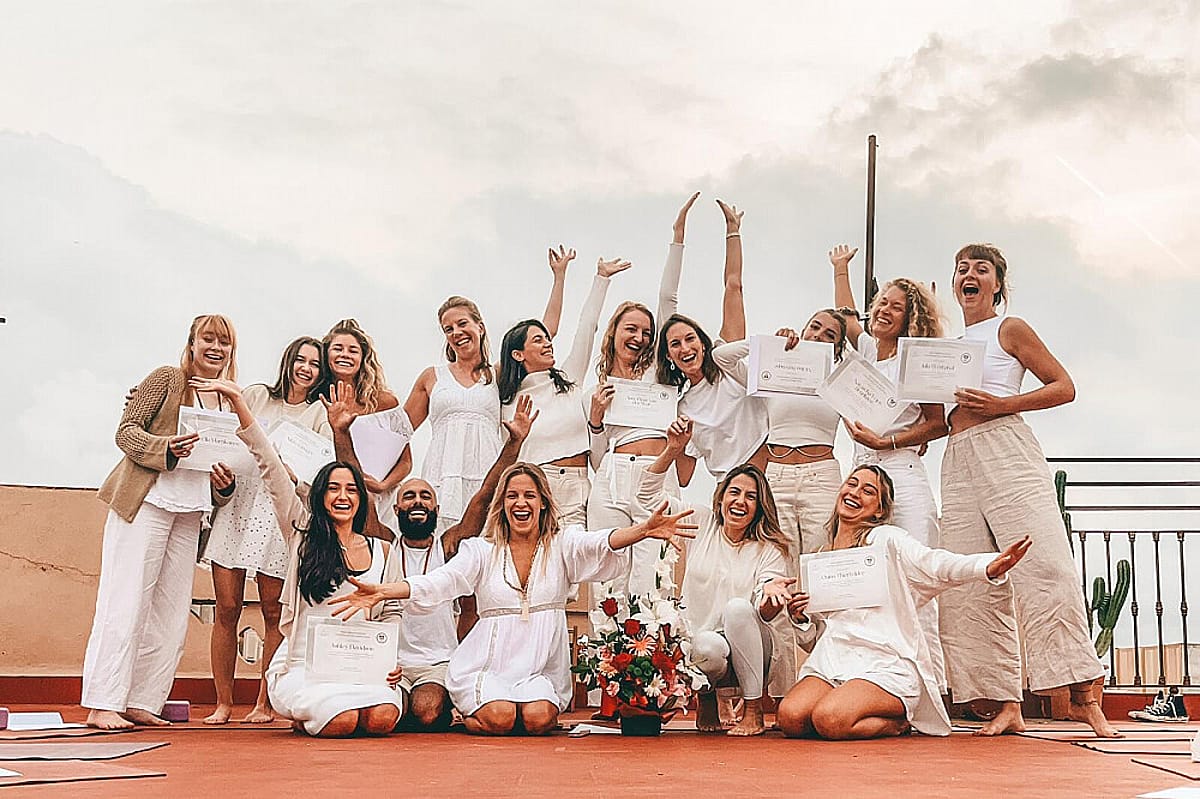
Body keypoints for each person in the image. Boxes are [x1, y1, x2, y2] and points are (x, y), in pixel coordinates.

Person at [327, 464, 698, 736]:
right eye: (512, 496)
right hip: (487, 663)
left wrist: (642, 531)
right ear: (503, 504)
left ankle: (509, 707)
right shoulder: (481, 550)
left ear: (541, 503)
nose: (521, 503)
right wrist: (385, 590)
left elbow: (601, 541)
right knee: (501, 718)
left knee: (537, 720)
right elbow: (443, 581)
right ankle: (470, 712)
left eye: (529, 496)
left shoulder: (562, 544)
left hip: (536, 666)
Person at [937, 243, 1114, 737]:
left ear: (997, 283)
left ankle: (1084, 696)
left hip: (1006, 446)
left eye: (981, 269)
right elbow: (934, 420)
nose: (969, 275)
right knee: (973, 580)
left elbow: (1063, 386)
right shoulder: (949, 346)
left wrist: (1001, 405)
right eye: (961, 269)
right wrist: (881, 435)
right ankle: (1004, 703)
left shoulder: (1008, 328)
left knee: (1046, 567)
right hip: (957, 457)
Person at [192, 377, 406, 737]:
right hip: (305, 667)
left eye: (352, 489)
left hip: (361, 669)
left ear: (362, 499)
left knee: (383, 717)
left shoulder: (384, 551)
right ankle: (304, 707)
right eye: (333, 488)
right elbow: (269, 465)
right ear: (320, 495)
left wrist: (391, 662)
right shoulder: (302, 536)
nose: (343, 496)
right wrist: (240, 405)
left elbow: (392, 614)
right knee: (344, 721)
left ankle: (325, 711)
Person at [772, 465, 1032, 739]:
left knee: (831, 720)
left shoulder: (887, 540)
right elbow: (815, 637)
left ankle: (898, 722)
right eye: (852, 484)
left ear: (879, 511)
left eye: (868, 491)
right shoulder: (821, 557)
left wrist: (985, 566)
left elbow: (934, 563)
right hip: (832, 661)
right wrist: (800, 618)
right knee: (791, 718)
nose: (855, 493)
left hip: (884, 662)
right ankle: (845, 704)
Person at [333, 393, 541, 730]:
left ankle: (445, 703)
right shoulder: (384, 544)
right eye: (409, 496)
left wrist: (514, 442)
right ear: (397, 509)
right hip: (390, 662)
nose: (418, 501)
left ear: (436, 508)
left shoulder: (452, 545)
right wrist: (341, 432)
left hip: (437, 663)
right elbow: (358, 487)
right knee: (384, 717)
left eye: (425, 496)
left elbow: (485, 495)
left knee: (427, 711)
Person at [83, 315, 239, 730]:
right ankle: (103, 701)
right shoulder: (168, 379)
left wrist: (224, 485)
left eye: (224, 342)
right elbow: (126, 432)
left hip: (189, 512)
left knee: (170, 613)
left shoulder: (228, 401)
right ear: (191, 343)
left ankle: (141, 699)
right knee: (126, 600)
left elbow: (223, 475)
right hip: (147, 502)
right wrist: (165, 446)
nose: (215, 348)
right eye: (208, 339)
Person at [830, 244, 949, 688]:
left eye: (895, 307)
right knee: (865, 582)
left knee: (918, 582)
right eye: (880, 303)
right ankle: (876, 681)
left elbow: (938, 424)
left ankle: (931, 690)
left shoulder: (914, 358)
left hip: (901, 472)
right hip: (862, 473)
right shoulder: (861, 350)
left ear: (909, 318)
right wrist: (842, 268)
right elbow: (844, 314)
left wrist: (889, 440)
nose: (883, 311)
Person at [637, 417, 793, 736]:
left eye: (750, 497)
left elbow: (764, 612)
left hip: (754, 649)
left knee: (738, 609)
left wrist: (771, 598)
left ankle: (753, 710)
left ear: (760, 506)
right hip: (708, 649)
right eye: (734, 493)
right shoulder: (702, 523)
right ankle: (706, 698)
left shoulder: (771, 548)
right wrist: (673, 450)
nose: (740, 501)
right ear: (721, 497)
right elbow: (647, 497)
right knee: (705, 645)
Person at [201, 335, 327, 725]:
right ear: (287, 360)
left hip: (279, 516)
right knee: (226, 608)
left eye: (315, 364)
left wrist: (297, 476)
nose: (306, 368)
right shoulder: (255, 395)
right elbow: (218, 429)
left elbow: (319, 472)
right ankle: (223, 703)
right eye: (301, 359)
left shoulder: (319, 412)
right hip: (238, 505)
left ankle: (264, 702)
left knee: (274, 611)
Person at [587, 192, 700, 598]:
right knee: (610, 574)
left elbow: (668, 301)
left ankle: (656, 656)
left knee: (656, 572)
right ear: (615, 331)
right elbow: (596, 455)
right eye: (630, 329)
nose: (639, 337)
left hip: (658, 468)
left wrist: (678, 236)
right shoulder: (597, 386)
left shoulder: (656, 372)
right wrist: (597, 419)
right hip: (613, 475)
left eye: (646, 332)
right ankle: (604, 657)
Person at [497, 254, 631, 526]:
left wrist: (601, 278)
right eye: (538, 340)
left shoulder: (568, 379)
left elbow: (587, 328)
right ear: (518, 354)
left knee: (579, 563)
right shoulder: (505, 400)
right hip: (533, 490)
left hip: (576, 487)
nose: (548, 343)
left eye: (548, 339)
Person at [657, 199, 768, 481]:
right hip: (727, 490)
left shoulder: (726, 364)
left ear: (703, 343)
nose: (685, 348)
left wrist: (733, 231)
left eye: (690, 339)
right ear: (669, 356)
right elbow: (684, 477)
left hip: (767, 476)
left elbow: (734, 285)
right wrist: (677, 444)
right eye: (675, 344)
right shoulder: (682, 407)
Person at [763, 317, 848, 557]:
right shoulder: (774, 371)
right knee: (778, 556)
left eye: (830, 335)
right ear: (803, 330)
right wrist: (770, 346)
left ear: (837, 349)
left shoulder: (840, 381)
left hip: (821, 477)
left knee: (821, 556)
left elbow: (874, 416)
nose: (819, 334)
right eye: (815, 327)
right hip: (777, 477)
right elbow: (723, 358)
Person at [321, 319, 411, 532]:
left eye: (353, 350)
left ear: (363, 359)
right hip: (333, 497)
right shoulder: (318, 401)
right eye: (338, 348)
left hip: (378, 500)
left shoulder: (385, 402)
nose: (345, 354)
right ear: (326, 355)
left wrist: (383, 486)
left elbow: (406, 460)